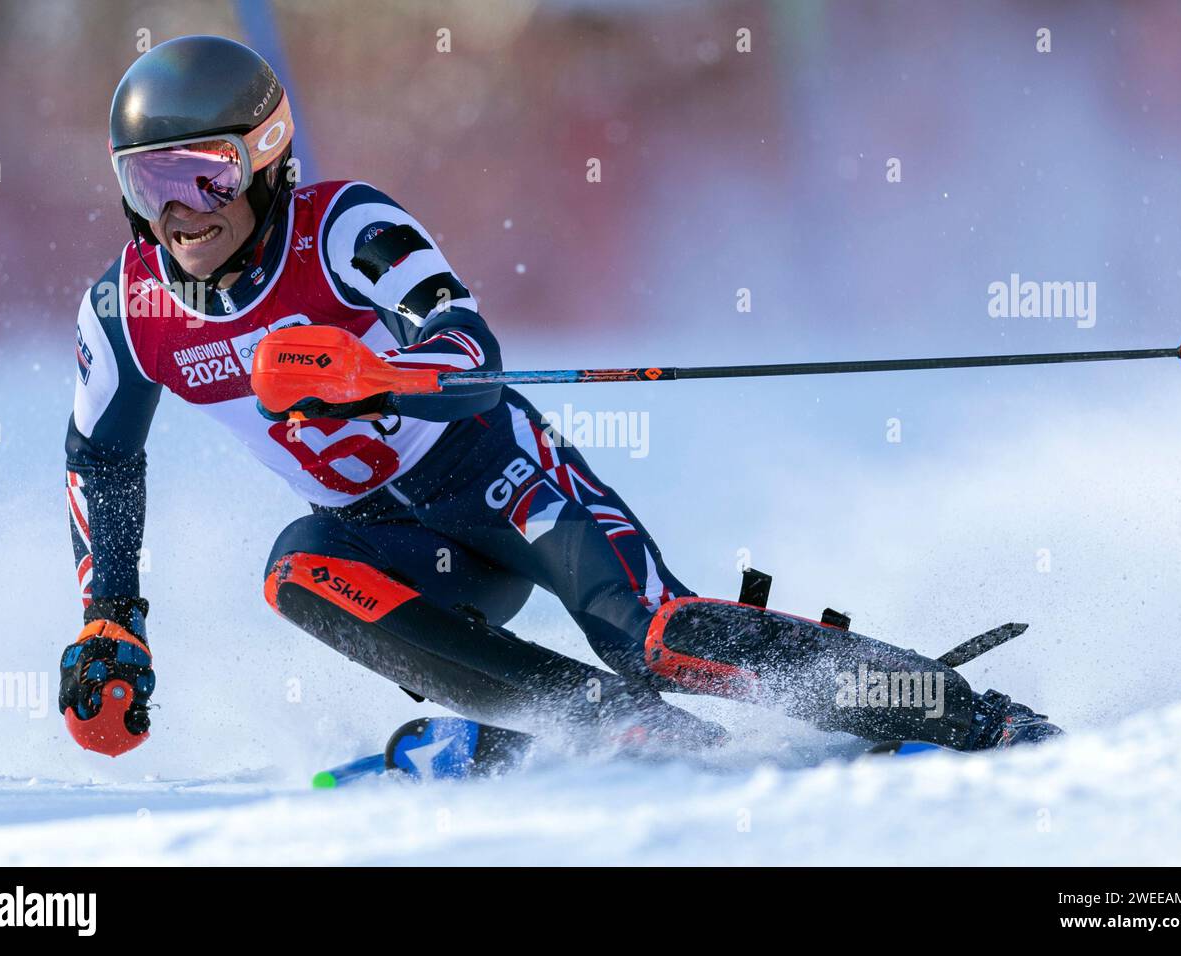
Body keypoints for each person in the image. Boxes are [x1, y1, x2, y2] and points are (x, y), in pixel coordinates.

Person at [61, 35, 1059, 758]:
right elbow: (100, 456)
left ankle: (960, 711)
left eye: (205, 175)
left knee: (658, 637)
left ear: (266, 158)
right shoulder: (126, 311)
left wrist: (373, 373)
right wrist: (112, 615)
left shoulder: (342, 228)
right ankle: (590, 721)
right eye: (150, 184)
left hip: (498, 480)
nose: (179, 214)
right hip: (397, 545)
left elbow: (465, 340)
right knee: (297, 572)